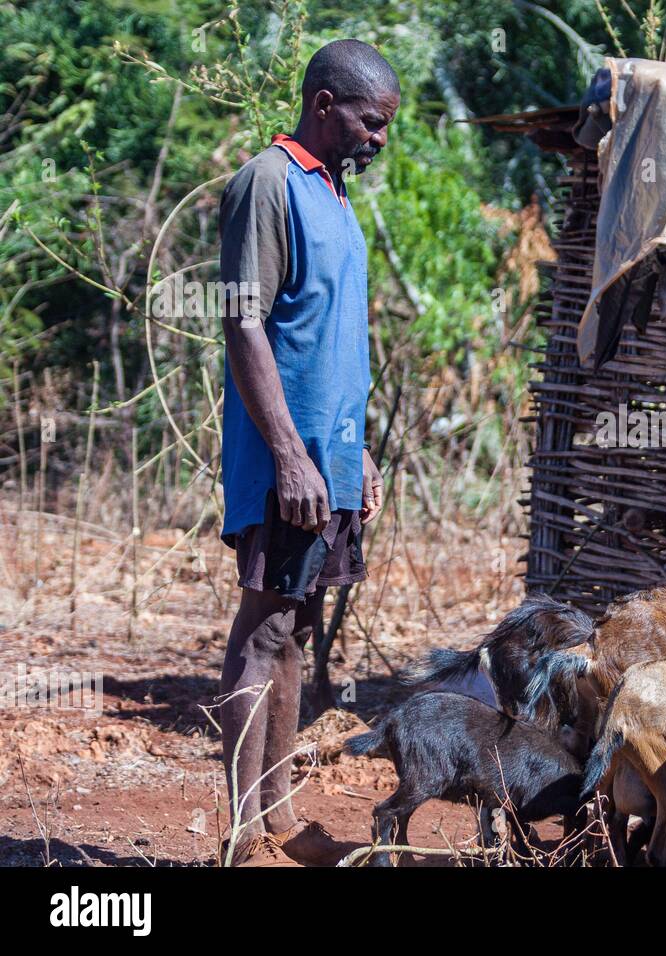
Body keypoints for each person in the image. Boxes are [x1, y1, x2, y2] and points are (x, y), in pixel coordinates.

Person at [216, 39, 398, 866]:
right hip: (286, 460)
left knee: (295, 628)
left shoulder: (336, 195)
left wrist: (352, 454)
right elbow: (242, 321)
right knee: (263, 632)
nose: (380, 137)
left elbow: (331, 341)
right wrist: (290, 454)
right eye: (372, 119)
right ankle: (241, 831)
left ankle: (280, 817)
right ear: (324, 103)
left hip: (332, 461)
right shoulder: (269, 183)